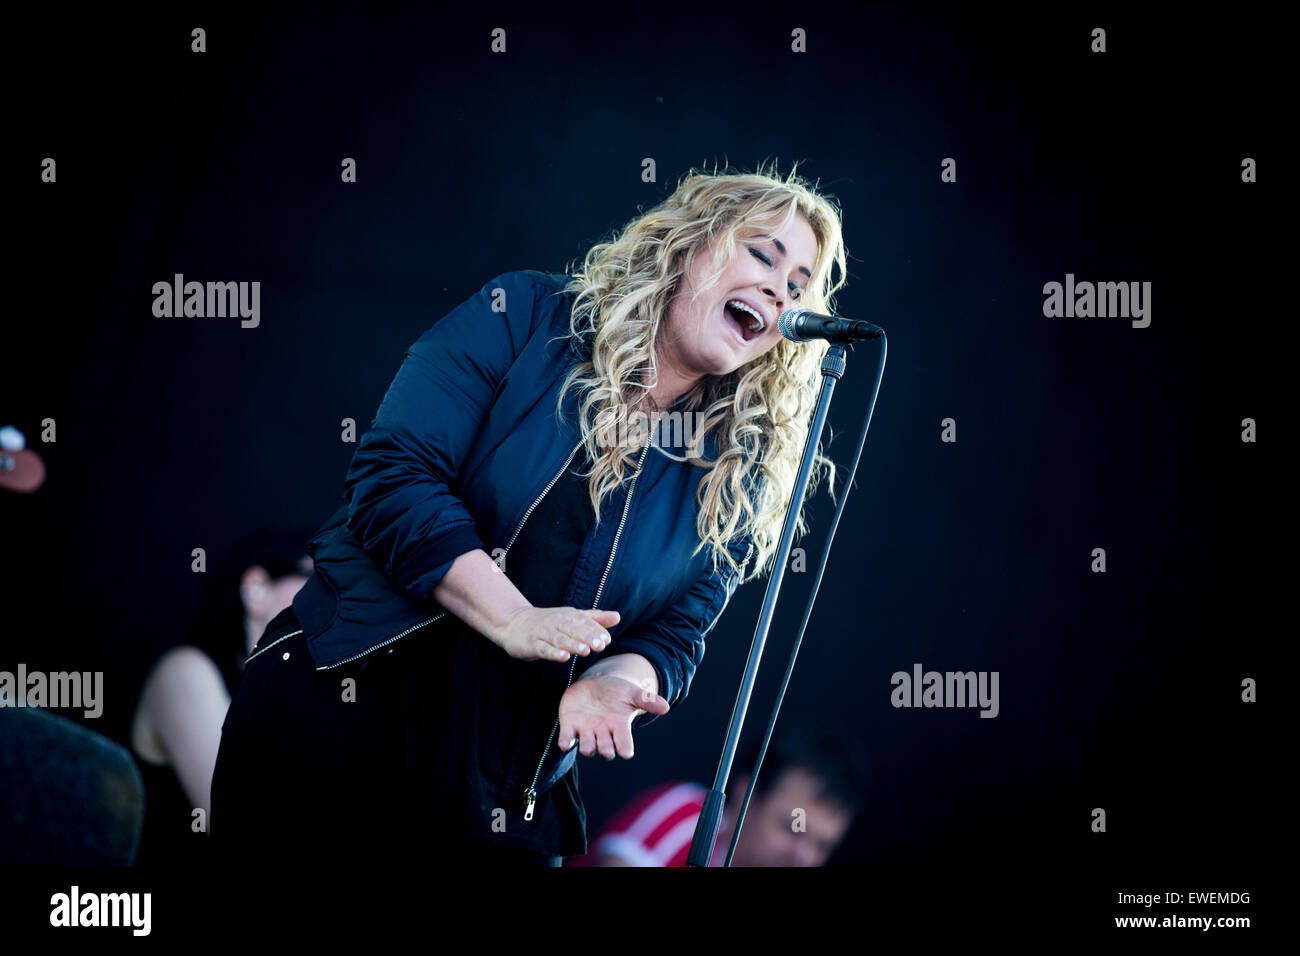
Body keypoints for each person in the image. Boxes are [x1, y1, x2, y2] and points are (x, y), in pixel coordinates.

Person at [210, 161, 850, 868]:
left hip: (504, 794)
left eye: (797, 286)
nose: (778, 288)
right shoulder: (525, 317)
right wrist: (514, 617)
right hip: (345, 720)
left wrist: (616, 681)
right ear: (689, 244)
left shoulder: (736, 468)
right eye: (762, 253)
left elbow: (678, 633)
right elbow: (394, 478)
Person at [128, 529, 313, 864]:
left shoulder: (296, 705)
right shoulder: (187, 672)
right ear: (256, 588)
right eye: (325, 581)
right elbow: (243, 832)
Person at [569, 723, 867, 867]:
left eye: (823, 845)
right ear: (745, 794)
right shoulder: (686, 816)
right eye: (792, 827)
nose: (803, 857)